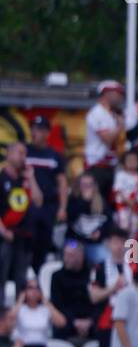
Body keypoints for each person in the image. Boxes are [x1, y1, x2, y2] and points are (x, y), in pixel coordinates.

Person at [0, 140, 43, 292]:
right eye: (20, 153)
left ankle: (17, 313)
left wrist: (31, 178)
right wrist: (3, 232)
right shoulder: (1, 177)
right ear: (9, 154)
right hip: (4, 237)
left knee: (21, 280)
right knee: (1, 277)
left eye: (25, 153)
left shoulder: (25, 179)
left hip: (24, 237)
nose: (23, 157)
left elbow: (38, 201)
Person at [26, 115, 68, 269]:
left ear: (48, 133)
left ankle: (38, 273)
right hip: (27, 205)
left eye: (43, 130)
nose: (39, 133)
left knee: (44, 241)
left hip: (48, 206)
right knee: (27, 240)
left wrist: (62, 207)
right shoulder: (24, 151)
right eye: (36, 129)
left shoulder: (54, 155)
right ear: (31, 130)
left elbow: (62, 182)